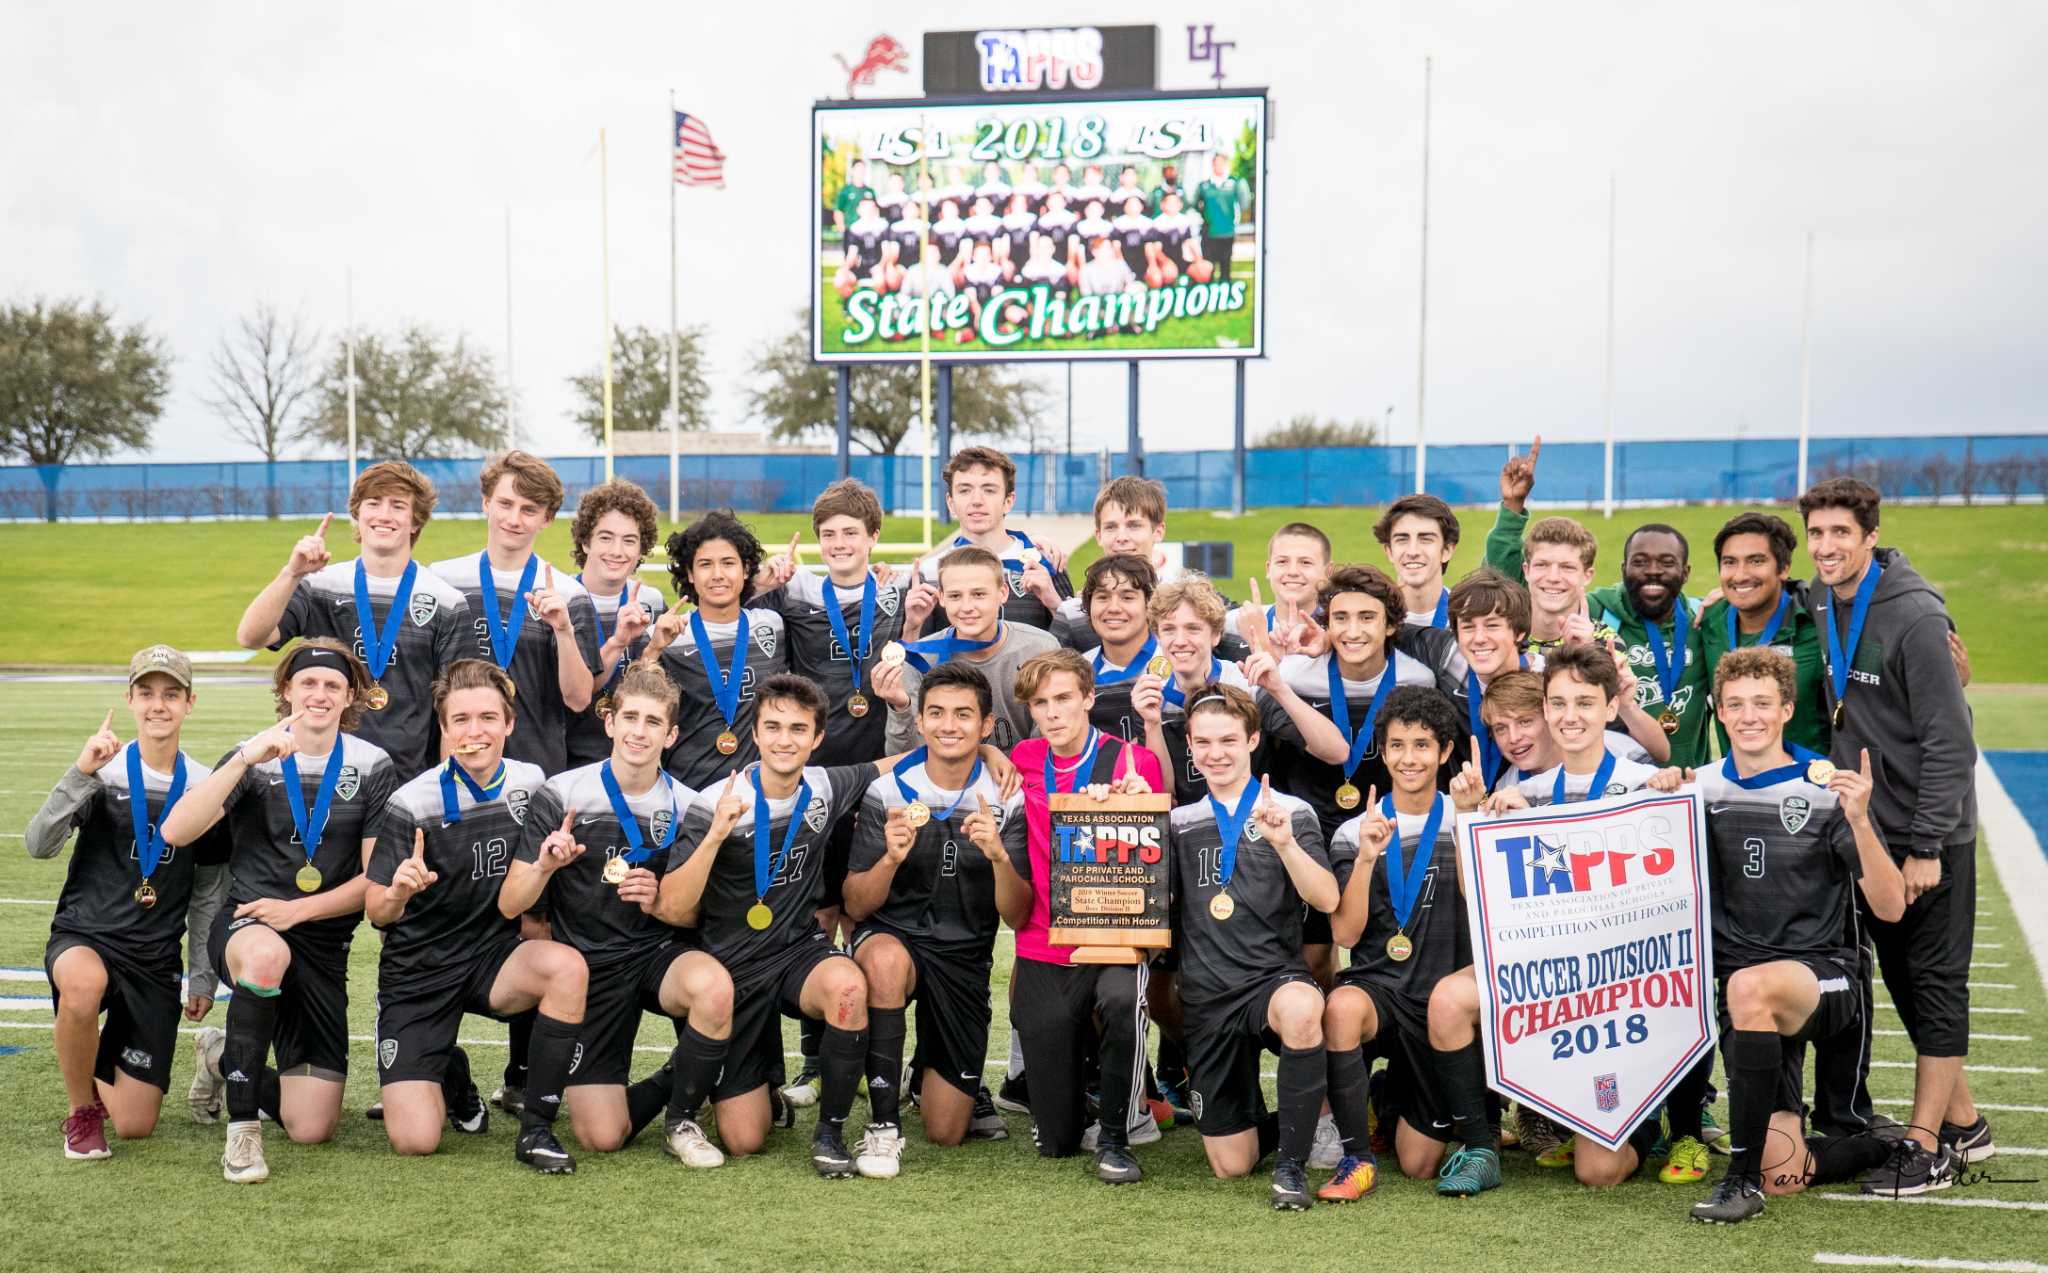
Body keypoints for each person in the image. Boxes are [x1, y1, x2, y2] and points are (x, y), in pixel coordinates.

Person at [1427, 642, 1684, 1196]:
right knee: (1449, 1000)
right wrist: (1474, 818)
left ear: (1610, 709)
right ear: (1546, 709)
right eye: (1559, 704)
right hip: (1544, 974)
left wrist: (1671, 795)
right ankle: (1480, 1144)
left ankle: (1655, 1119)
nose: (1570, 717)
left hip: (1620, 983)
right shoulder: (1522, 793)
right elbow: (1481, 899)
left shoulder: (1648, 786)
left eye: (1585, 704)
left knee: (1599, 1173)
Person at [1798, 476, 1990, 1191]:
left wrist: (1928, 846)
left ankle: (1927, 1147)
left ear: (1871, 535)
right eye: (1817, 534)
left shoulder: (1912, 614)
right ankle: (1965, 1125)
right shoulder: (1821, 597)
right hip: (1871, 831)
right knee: (1908, 986)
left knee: (1935, 984)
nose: (1826, 547)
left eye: (1840, 533)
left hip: (1925, 835)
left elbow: (1951, 742)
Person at [162, 638, 397, 1184]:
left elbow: (373, 879)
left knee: (312, 1125)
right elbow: (176, 830)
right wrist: (246, 757)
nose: (319, 694)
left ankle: (221, 1058)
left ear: (350, 696)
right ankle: (243, 1136)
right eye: (307, 683)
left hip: (321, 942)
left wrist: (302, 911)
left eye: (332, 685)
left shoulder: (372, 765)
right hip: (250, 924)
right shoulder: (255, 753)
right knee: (266, 956)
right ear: (286, 690)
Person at [1689, 648, 1904, 1223]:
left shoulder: (1826, 788)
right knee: (1785, 1174)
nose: (1748, 715)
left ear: (1786, 708)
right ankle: (1882, 1143)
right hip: (1748, 990)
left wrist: (1860, 819)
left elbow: (1890, 905)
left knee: (1747, 988)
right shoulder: (1700, 788)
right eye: (1734, 704)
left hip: (1824, 977)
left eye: (1762, 703)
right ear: (1718, 710)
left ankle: (1738, 1183)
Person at [654, 674, 894, 1178]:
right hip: (729, 965)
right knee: (744, 1141)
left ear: (817, 738)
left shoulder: (826, 785)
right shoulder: (714, 802)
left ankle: (829, 1134)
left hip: (795, 952)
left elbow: (892, 764)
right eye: (774, 727)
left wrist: (982, 753)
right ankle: (684, 1106)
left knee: (849, 987)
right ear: (756, 735)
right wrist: (717, 835)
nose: (785, 740)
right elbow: (674, 908)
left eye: (798, 729)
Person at [499, 663, 728, 1169]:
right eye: (630, 718)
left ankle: (683, 1119)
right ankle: (678, 1074)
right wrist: (544, 865)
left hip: (655, 957)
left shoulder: (690, 807)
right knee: (603, 1136)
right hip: (587, 971)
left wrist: (661, 900)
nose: (638, 731)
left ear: (670, 735)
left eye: (652, 722)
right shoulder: (562, 794)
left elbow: (697, 920)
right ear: (610, 723)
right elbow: (511, 904)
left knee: (713, 986)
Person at [365, 659, 590, 1170]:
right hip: (419, 971)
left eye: (488, 718)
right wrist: (399, 891)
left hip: (493, 958)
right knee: (415, 1141)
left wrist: (550, 863)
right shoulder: (411, 802)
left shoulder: (532, 783)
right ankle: (451, 1070)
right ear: (443, 729)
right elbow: (375, 912)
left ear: (509, 724)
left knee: (566, 968)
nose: (475, 732)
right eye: (460, 720)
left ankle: (536, 1130)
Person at [26, 645, 230, 1159]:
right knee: (83, 983)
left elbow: (208, 891)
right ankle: (81, 1111)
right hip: (85, 937)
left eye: (170, 694)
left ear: (190, 702)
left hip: (153, 959)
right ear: (130, 700)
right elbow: (38, 844)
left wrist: (201, 973)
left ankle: (102, 1065)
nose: (157, 705)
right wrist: (80, 772)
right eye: (146, 693)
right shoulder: (103, 772)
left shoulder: (207, 788)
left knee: (137, 1125)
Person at [748, 479, 909, 1106]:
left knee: (867, 910)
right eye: (829, 535)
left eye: (852, 533)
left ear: (873, 538)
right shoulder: (793, 596)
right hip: (810, 775)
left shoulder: (899, 596)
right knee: (817, 913)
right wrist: (767, 580)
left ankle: (876, 1060)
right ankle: (815, 1061)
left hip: (879, 774)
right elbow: (740, 616)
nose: (840, 544)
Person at [845, 664, 1031, 1175]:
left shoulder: (1007, 796)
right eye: (937, 714)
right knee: (883, 962)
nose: (950, 725)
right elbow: (857, 906)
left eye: (963, 715)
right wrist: (889, 860)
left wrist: (998, 857)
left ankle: (925, 1072)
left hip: (964, 956)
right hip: (895, 938)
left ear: (987, 725)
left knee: (947, 1133)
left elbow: (1016, 916)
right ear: (921, 723)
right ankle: (882, 1127)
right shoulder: (887, 791)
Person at [1167, 683, 1339, 1210]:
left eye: (1228, 740)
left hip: (1271, 983)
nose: (1215, 753)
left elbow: (1326, 898)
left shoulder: (1291, 812)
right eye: (1203, 743)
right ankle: (1303, 1115)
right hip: (1207, 997)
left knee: (1304, 1007)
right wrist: (1120, 805)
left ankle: (1290, 1166)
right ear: (1191, 748)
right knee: (1231, 1165)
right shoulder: (1176, 822)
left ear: (1253, 740)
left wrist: (1285, 843)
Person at [1006, 650, 1166, 1179]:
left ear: (1089, 699)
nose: (1052, 713)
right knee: (1056, 1140)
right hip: (1041, 941)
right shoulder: (1023, 758)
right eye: (1040, 703)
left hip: (1114, 937)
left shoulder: (1128, 762)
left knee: (1122, 1000)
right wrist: (987, 754)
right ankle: (1087, 1101)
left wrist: (1130, 802)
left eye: (1063, 699)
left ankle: (1121, 1133)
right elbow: (984, 759)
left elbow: (1154, 838)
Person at [1319, 686, 1471, 1200]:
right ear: (1382, 751)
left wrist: (1476, 823)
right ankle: (1355, 1158)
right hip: (1378, 988)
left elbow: (1487, 911)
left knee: (1420, 1165)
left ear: (1445, 752)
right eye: (1398, 745)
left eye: (1423, 745)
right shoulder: (1352, 831)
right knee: (1340, 1006)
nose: (1410, 758)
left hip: (1440, 1001)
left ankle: (1389, 1096)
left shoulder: (1465, 818)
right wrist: (1365, 858)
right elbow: (1344, 935)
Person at [235, 461, 471, 775]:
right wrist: (291, 573)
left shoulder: (446, 601)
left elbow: (454, 704)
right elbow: (250, 637)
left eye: (398, 506)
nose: (384, 515)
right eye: (373, 503)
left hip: (406, 777)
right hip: (321, 772)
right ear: (357, 516)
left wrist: (444, 787)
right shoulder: (320, 584)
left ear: (416, 521)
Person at [428, 451, 603, 777]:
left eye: (529, 510)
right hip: (457, 764)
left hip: (537, 770)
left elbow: (579, 699)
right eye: (505, 504)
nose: (514, 519)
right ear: (486, 503)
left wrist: (563, 631)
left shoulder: (568, 595)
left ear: (547, 519)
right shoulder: (442, 581)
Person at [639, 509, 791, 791]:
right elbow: (636, 705)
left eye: (728, 563)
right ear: (690, 574)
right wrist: (653, 650)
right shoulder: (668, 636)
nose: (718, 575)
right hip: (689, 794)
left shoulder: (774, 625)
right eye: (706, 564)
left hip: (761, 793)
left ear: (746, 570)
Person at [880, 546, 1061, 753]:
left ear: (1002, 593)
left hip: (1024, 779)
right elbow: (903, 755)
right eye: (955, 596)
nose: (967, 606)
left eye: (978, 594)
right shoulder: (920, 658)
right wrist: (899, 707)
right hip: (949, 781)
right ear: (941, 597)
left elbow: (1052, 740)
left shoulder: (1040, 649)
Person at [1697, 511, 1828, 757]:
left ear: (1784, 568)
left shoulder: (1819, 622)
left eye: (1756, 561)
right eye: (1729, 562)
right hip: (1737, 788)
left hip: (1811, 786)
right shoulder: (1708, 621)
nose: (1740, 574)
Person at [564, 477, 669, 768]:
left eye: (629, 541)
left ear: (641, 548)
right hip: (567, 758)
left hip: (634, 757)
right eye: (606, 537)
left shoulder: (653, 602)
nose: (617, 551)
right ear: (585, 541)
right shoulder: (560, 600)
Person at [916, 446, 1073, 634]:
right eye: (965, 490)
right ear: (951, 502)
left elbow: (1077, 643)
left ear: (1008, 501)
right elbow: (922, 648)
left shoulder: (1043, 561)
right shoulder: (931, 571)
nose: (976, 500)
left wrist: (1054, 603)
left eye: (989, 490)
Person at [1050, 475, 1173, 649]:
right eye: (1111, 527)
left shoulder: (1183, 603)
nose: (1121, 537)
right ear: (1099, 535)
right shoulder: (1072, 613)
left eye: (1134, 525)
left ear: (1158, 531)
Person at [1070, 554, 1161, 744]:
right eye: (1102, 597)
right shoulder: (1076, 672)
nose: (1113, 608)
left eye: (1127, 597)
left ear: (1149, 605)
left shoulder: (1176, 665)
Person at [1227, 522, 1330, 653]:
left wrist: (1260, 641)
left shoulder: (1341, 633)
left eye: (1305, 562)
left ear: (1328, 572)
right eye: (1282, 562)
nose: (1293, 572)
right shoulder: (1235, 623)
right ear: (1268, 569)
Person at [1374, 494, 1462, 630]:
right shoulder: (1371, 621)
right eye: (1402, 539)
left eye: (1426, 539)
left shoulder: (1468, 620)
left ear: (1447, 550)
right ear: (1389, 552)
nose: (1412, 552)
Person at [1193, 152, 1248, 281]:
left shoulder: (1234, 183)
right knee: (1208, 268)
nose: (1218, 166)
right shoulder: (1204, 185)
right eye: (1216, 163)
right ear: (1212, 165)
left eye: (1221, 163)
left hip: (1227, 232)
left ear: (1225, 164)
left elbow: (1243, 204)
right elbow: (1196, 204)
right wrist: (1206, 216)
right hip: (1209, 233)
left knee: (1225, 267)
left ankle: (1225, 294)